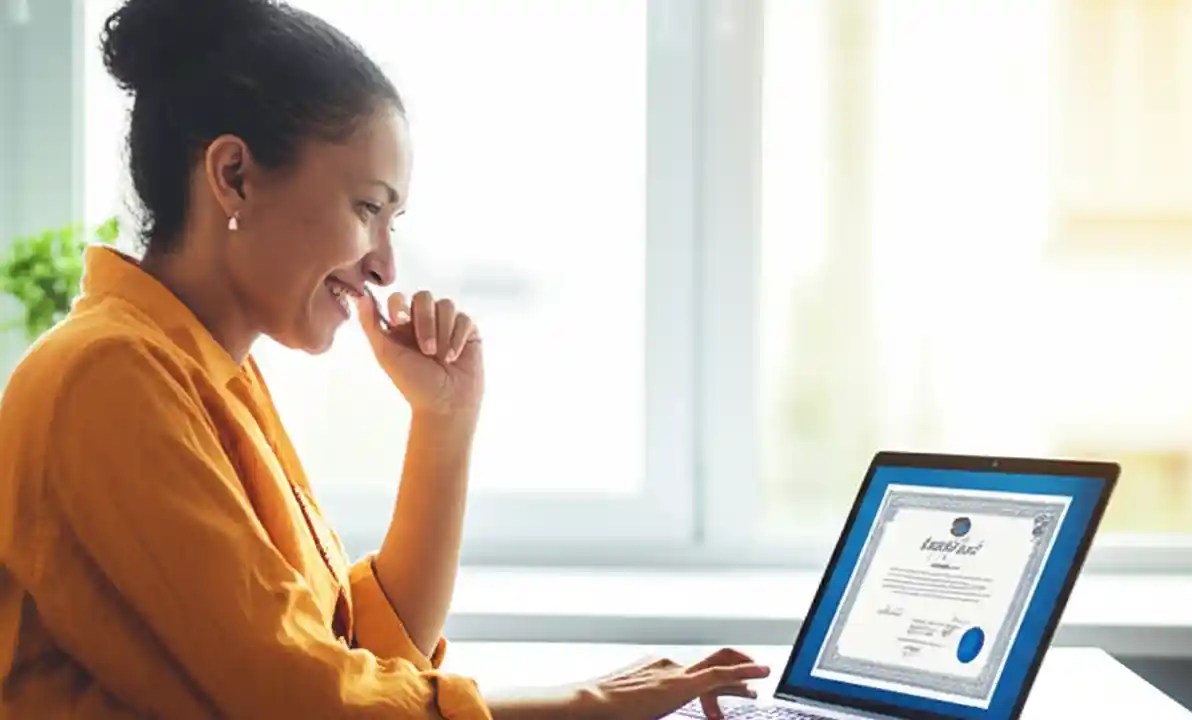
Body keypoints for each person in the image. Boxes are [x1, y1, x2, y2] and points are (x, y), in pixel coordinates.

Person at [0, 0, 769, 717]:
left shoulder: (206, 375)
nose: (386, 265)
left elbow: (356, 654)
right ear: (233, 176)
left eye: (393, 218)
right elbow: (304, 698)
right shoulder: (110, 378)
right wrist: (580, 705)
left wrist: (444, 421)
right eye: (368, 209)